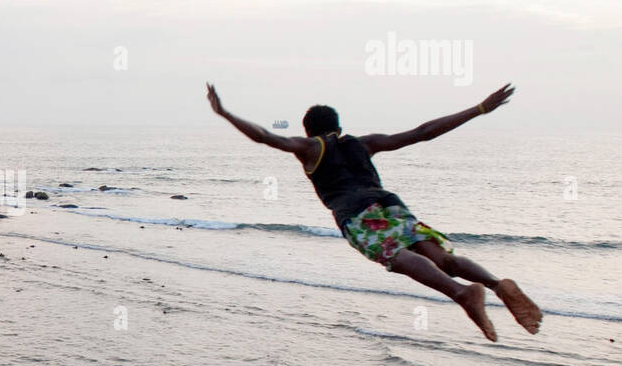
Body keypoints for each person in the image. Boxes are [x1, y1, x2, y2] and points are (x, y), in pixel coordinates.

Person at [205, 82, 542, 341]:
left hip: (356, 212)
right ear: (338, 125)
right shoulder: (364, 143)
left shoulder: (311, 148)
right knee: (441, 258)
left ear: (309, 130)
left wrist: (225, 114)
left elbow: (266, 137)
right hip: (390, 203)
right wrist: (479, 108)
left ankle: (462, 294)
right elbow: (422, 133)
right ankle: (496, 285)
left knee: (395, 255)